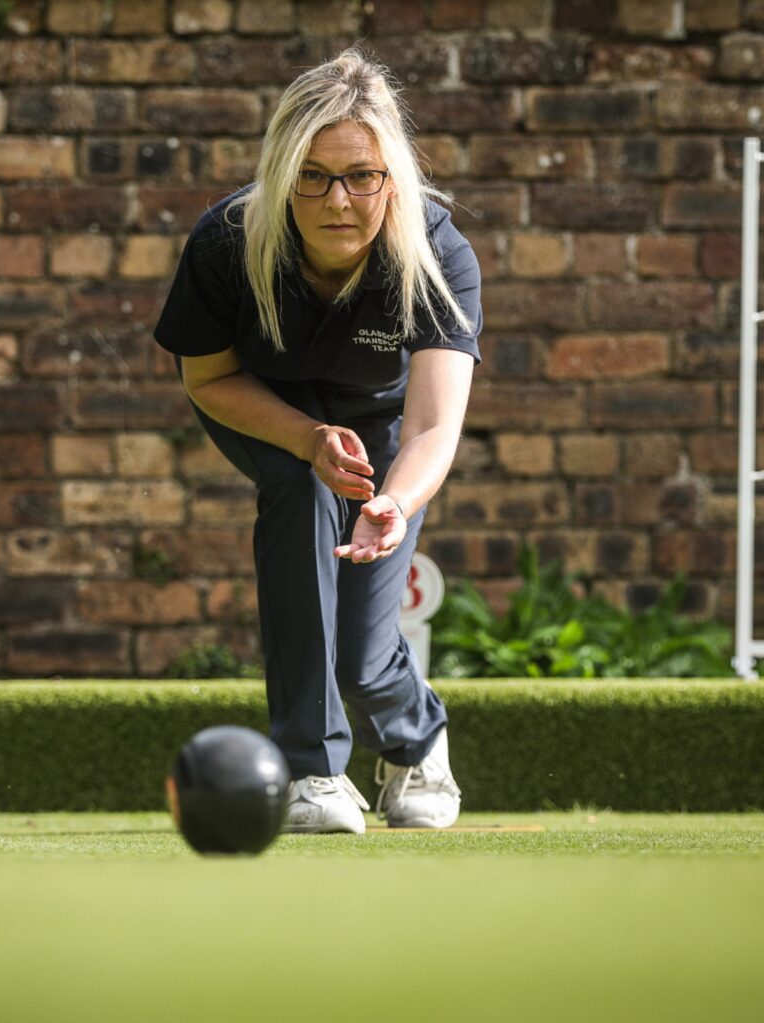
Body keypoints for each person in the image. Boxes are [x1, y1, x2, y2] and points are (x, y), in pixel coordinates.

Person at [152, 48, 482, 833]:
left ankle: (418, 742)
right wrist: (305, 439)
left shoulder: (437, 253)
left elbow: (436, 423)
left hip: (384, 428)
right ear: (283, 171)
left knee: (363, 653)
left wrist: (395, 502)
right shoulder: (226, 242)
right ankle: (313, 771)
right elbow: (207, 380)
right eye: (314, 174)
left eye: (361, 175)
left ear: (391, 178)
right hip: (263, 402)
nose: (339, 199)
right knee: (299, 490)